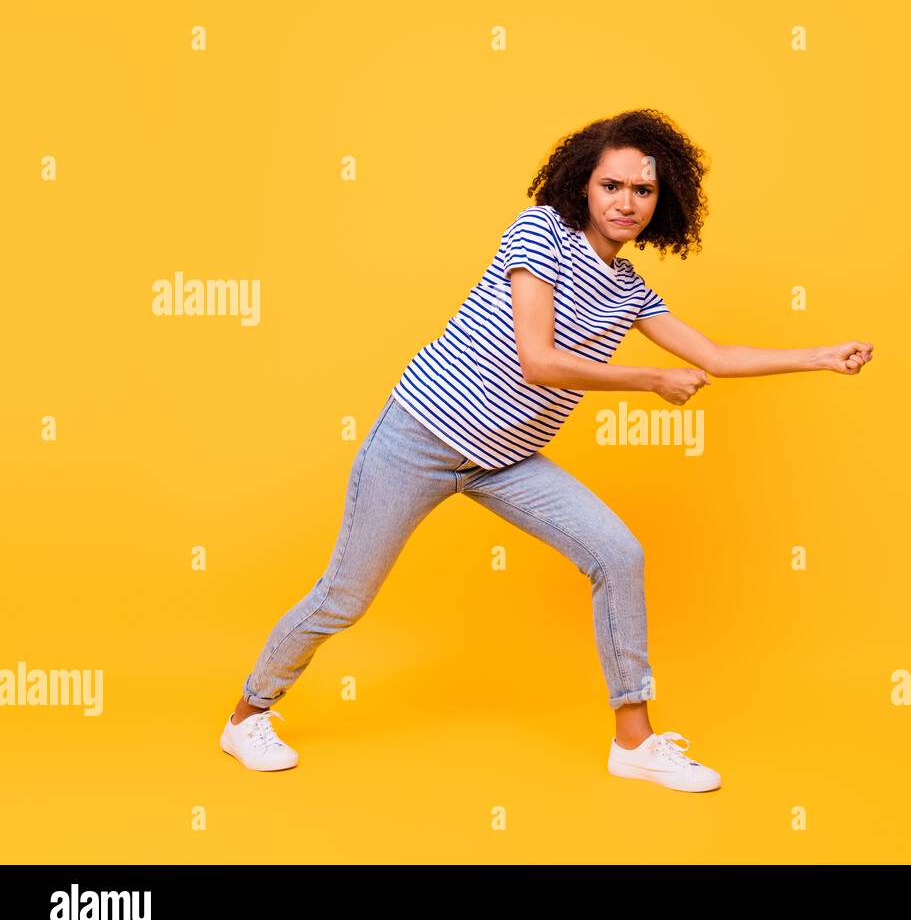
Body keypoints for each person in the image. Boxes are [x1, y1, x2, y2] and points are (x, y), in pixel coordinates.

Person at [220, 108, 873, 792]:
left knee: (618, 553)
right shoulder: (541, 234)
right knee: (345, 598)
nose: (627, 203)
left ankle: (635, 742)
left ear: (664, 200)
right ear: (582, 187)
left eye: (643, 191)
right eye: (612, 186)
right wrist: (649, 380)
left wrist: (822, 356)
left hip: (506, 459)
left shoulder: (629, 290)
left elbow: (712, 353)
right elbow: (539, 360)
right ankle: (246, 717)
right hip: (421, 436)